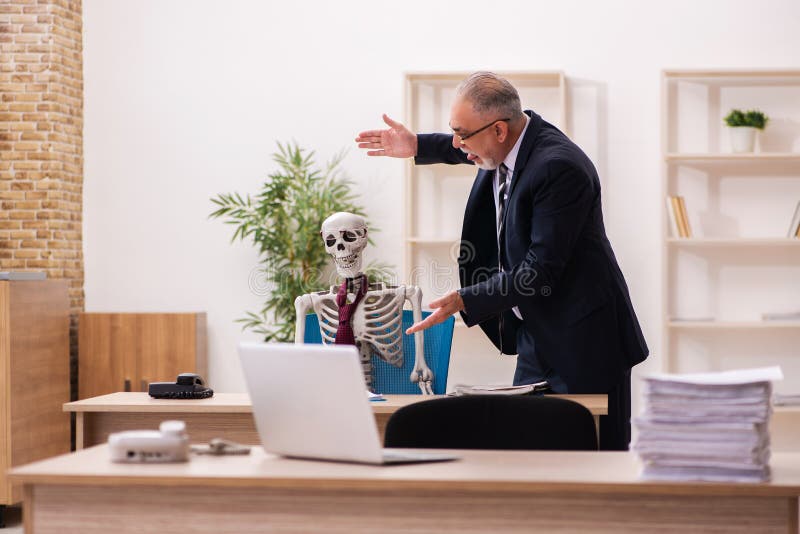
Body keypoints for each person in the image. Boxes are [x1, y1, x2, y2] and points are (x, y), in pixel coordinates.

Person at [355, 72, 648, 450]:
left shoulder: (559, 168)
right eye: (454, 132)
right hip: (536, 338)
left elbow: (539, 272)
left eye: (463, 134)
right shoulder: (506, 142)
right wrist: (416, 145)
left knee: (592, 467)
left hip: (586, 342)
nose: (459, 145)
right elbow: (463, 144)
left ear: (498, 131)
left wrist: (465, 299)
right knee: (529, 459)